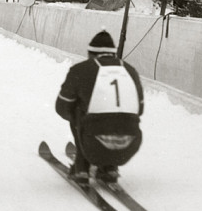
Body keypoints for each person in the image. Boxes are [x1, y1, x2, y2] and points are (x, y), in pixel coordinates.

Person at [56, 31, 144, 184]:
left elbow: (62, 107)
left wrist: (81, 120)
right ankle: (110, 168)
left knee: (77, 110)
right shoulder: (130, 70)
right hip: (130, 145)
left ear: (91, 53)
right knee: (116, 114)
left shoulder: (81, 70)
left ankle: (81, 168)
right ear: (113, 53)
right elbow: (139, 109)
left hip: (94, 144)